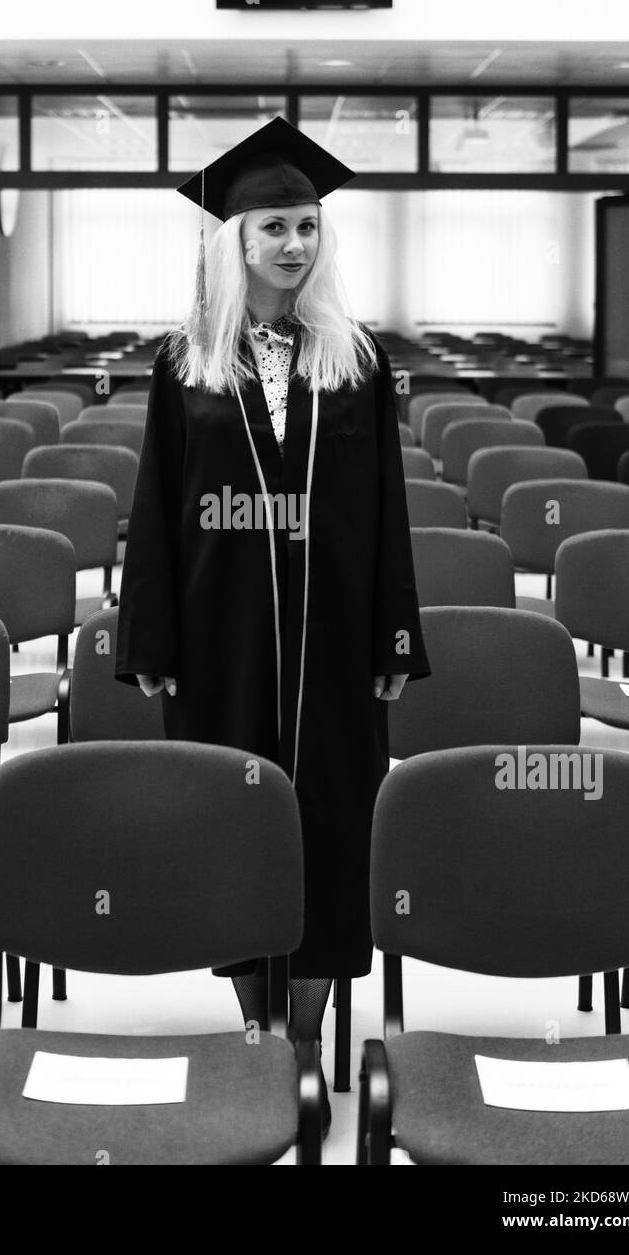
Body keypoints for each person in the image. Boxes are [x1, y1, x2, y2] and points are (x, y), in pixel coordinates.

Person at [114, 117, 430, 1127]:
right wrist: (150, 639)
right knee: (235, 825)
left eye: (307, 227)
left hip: (337, 638)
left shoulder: (359, 361)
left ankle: (303, 1037)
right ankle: (256, 1036)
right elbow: (156, 509)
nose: (295, 244)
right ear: (233, 243)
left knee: (333, 822)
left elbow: (386, 504)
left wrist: (395, 636)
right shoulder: (183, 365)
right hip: (222, 632)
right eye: (273, 229)